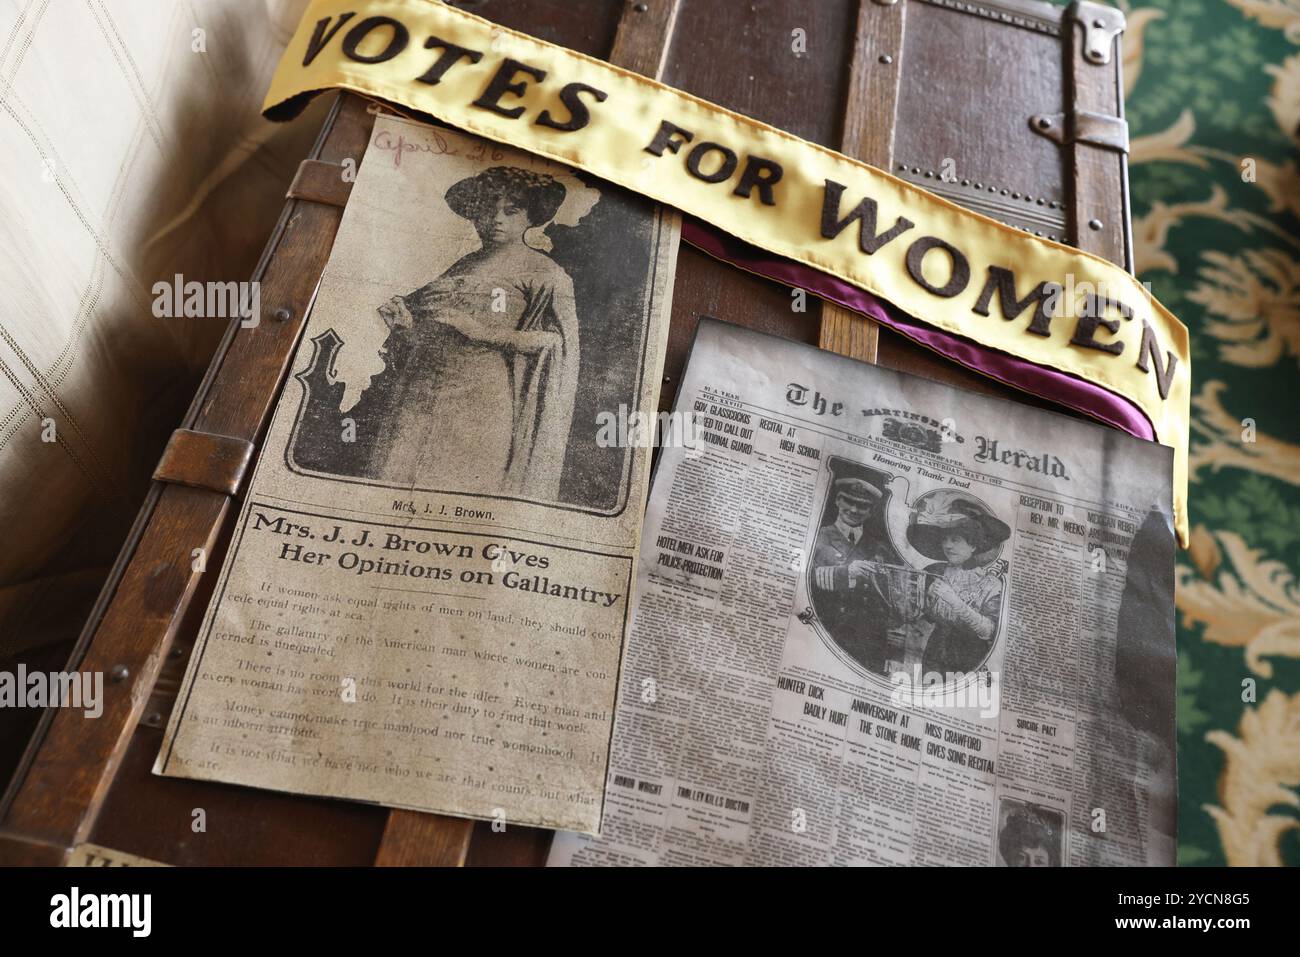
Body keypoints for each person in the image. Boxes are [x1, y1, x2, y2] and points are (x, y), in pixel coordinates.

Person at [369, 166, 580, 500]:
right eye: (487, 210)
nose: (496, 220)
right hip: (419, 391)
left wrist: (482, 333)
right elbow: (431, 330)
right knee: (394, 482)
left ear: (530, 216)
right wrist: (405, 327)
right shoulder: (461, 265)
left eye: (511, 211)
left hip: (482, 399)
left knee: (462, 488)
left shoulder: (545, 272)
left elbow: (555, 343)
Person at [907, 491, 1010, 676]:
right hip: (934, 653)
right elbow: (915, 615)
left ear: (973, 545)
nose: (948, 546)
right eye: (944, 539)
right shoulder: (934, 572)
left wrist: (954, 601)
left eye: (955, 539)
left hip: (969, 656)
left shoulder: (990, 584)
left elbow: (989, 631)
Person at [810, 477, 896, 674]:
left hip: (870, 640)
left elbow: (891, 593)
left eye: (863, 506)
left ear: (871, 511)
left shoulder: (880, 548)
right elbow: (804, 579)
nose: (854, 510)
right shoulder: (818, 536)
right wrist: (846, 573)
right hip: (830, 632)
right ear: (837, 501)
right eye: (849, 502)